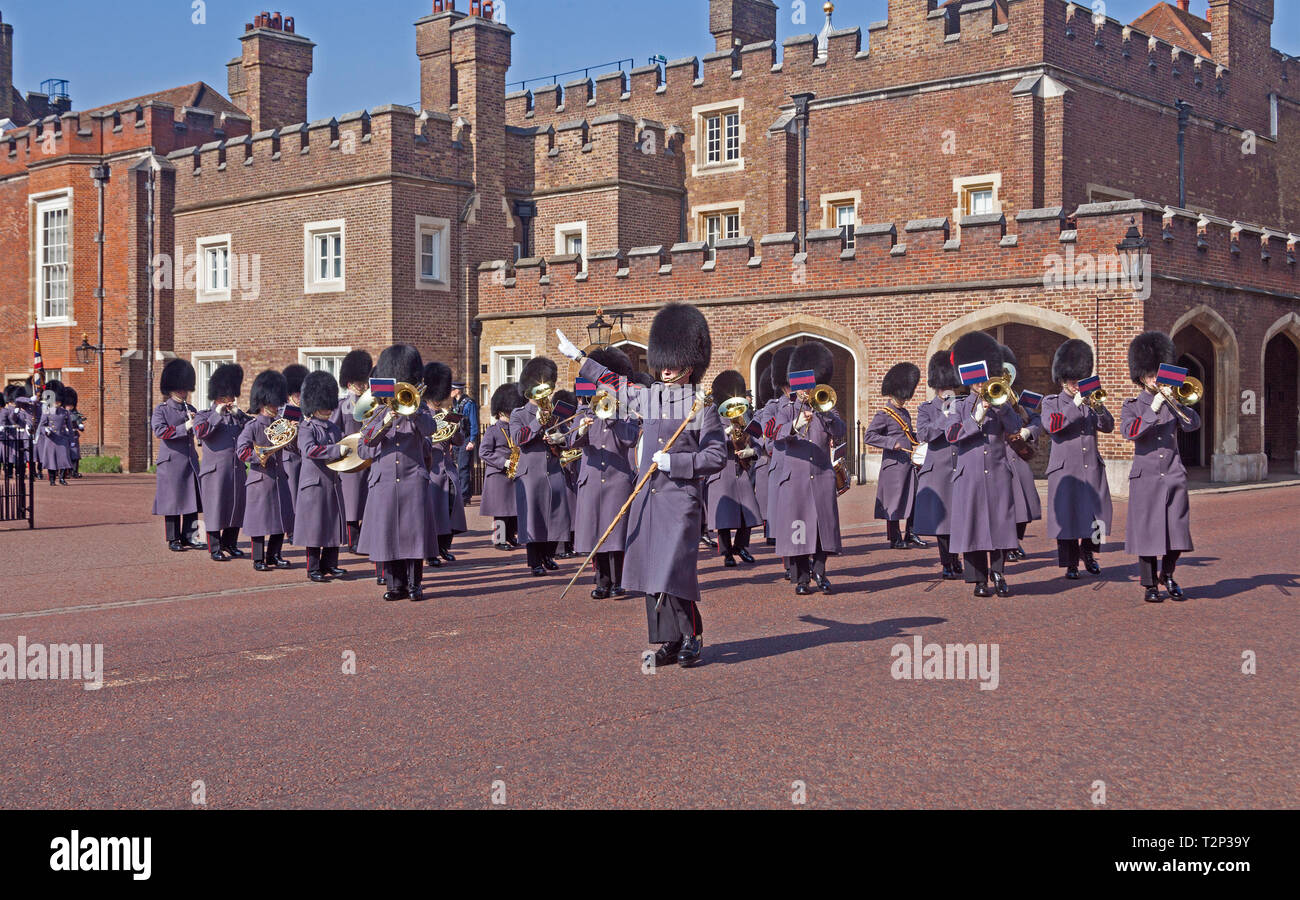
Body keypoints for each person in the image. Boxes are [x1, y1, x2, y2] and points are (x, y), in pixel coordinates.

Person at [557, 302, 726, 668]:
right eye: (663, 362)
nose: (666, 369)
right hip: (646, 498)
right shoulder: (650, 398)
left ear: (689, 365)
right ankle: (667, 639)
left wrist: (677, 463)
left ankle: (692, 635)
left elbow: (716, 457)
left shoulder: (701, 408)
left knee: (672, 570)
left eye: (673, 363)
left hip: (679, 500)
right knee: (651, 572)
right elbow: (615, 384)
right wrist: (579, 357)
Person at [1121, 331, 1201, 603]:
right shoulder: (1132, 406)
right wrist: (1153, 409)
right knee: (1147, 533)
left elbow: (1193, 426)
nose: (1156, 379)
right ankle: (1149, 585)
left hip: (1173, 472)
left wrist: (1179, 403)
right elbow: (1130, 432)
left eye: (1159, 374)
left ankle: (1167, 575)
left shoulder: (1173, 401)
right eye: (1151, 375)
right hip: (1145, 476)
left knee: (1176, 532)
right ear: (1142, 377)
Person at [357, 345, 440, 602]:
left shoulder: (419, 409)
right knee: (388, 534)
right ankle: (395, 586)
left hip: (412, 478)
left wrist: (412, 412)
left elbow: (430, 429)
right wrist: (385, 420)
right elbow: (363, 448)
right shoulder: (376, 412)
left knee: (413, 534)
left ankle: (415, 585)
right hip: (383, 481)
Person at [946, 333, 1023, 598]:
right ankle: (979, 578)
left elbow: (1015, 428)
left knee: (999, 523)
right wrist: (976, 418)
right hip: (970, 475)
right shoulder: (957, 406)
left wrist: (1000, 408)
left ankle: (999, 573)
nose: (981, 384)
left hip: (998, 471)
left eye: (984, 378)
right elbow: (952, 436)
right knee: (974, 526)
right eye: (977, 380)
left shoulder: (1001, 401)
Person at [772, 341, 846, 596]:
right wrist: (795, 423)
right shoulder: (785, 408)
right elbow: (776, 435)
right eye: (801, 385)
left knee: (821, 529)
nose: (805, 390)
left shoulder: (827, 407)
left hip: (821, 476)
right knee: (799, 531)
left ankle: (821, 574)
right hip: (796, 478)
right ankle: (802, 578)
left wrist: (824, 414)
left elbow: (841, 431)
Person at [570, 346, 640, 598]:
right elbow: (572, 443)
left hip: (617, 479)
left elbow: (630, 440)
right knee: (596, 532)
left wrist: (613, 417)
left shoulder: (625, 414)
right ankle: (601, 582)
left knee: (617, 532)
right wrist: (581, 430)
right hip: (591, 478)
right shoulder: (584, 411)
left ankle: (619, 579)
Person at [1041, 339, 1113, 581]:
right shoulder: (1052, 402)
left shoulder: (1091, 401)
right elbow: (1053, 426)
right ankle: (1071, 563)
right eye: (1072, 381)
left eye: (1078, 380)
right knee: (1069, 518)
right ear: (1062, 380)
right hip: (1066, 470)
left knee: (1098, 517)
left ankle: (1090, 554)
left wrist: (1099, 408)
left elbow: (1109, 426)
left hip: (1091, 467)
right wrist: (1075, 404)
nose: (1075, 384)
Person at [510, 357, 572, 577]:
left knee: (555, 515)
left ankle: (548, 555)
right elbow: (519, 438)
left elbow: (567, 438)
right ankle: (534, 561)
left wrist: (558, 439)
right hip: (531, 474)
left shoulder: (556, 412)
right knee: (533, 518)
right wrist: (538, 422)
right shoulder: (518, 414)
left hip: (553, 469)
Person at [296, 370, 352, 584]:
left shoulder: (333, 428)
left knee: (332, 524)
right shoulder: (306, 427)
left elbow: (342, 446)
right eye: (324, 405)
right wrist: (335, 450)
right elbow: (309, 450)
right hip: (314, 484)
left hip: (332, 482)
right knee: (315, 527)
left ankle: (330, 564)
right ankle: (313, 568)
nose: (328, 410)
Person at [237, 371, 295, 572]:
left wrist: (293, 433)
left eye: (276, 403)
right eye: (271, 404)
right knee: (259, 522)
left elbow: (289, 448)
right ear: (262, 403)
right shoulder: (252, 426)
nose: (275, 407)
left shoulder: (280, 424)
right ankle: (259, 558)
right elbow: (242, 451)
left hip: (279, 478)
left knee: (281, 519)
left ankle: (275, 555)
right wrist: (259, 456)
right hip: (260, 479)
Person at [914, 351, 964, 579]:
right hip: (939, 469)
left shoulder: (962, 405)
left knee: (959, 518)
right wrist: (946, 415)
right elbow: (924, 434)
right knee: (944, 522)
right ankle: (947, 562)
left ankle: (957, 558)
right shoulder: (926, 408)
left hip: (959, 466)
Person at [193, 364, 249, 562]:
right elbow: (200, 433)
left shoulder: (235, 417)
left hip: (236, 469)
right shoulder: (204, 415)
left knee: (235, 508)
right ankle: (215, 547)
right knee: (215, 510)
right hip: (215, 471)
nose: (231, 401)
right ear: (218, 397)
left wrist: (240, 415)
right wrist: (217, 414)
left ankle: (230, 544)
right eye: (227, 397)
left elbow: (252, 429)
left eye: (232, 397)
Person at [865, 363, 924, 550]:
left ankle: (911, 533)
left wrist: (919, 441)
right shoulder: (884, 414)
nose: (904, 399)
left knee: (913, 498)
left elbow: (908, 434)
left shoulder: (904, 412)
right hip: (894, 464)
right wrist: (891, 443)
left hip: (907, 463)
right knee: (894, 501)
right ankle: (895, 537)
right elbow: (869, 436)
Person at [706, 370, 761, 568]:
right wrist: (725, 433)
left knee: (749, 512)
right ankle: (727, 552)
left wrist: (751, 452)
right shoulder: (711, 415)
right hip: (722, 470)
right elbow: (706, 440)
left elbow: (759, 441)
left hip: (742, 470)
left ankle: (741, 546)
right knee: (724, 518)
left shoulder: (744, 415)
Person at [151, 359, 204, 552]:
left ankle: (190, 537)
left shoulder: (191, 409)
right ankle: (173, 539)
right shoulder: (161, 410)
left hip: (189, 460)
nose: (183, 393)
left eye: (186, 389)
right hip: (171, 461)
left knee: (191, 499)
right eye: (180, 389)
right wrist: (185, 427)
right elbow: (160, 432)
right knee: (172, 501)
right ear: (172, 389)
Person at [999, 345, 1042, 562]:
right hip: (1001, 454)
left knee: (1026, 501)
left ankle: (1016, 540)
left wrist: (1028, 431)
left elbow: (1036, 419)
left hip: (1019, 453)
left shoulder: (1016, 396)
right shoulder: (992, 394)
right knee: (1006, 503)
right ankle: (1009, 545)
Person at [423, 362, 464, 567]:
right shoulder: (423, 414)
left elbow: (459, 442)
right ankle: (430, 552)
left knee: (450, 509)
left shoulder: (447, 414)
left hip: (448, 467)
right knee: (433, 512)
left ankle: (444, 547)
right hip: (432, 468)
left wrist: (454, 427)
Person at [332, 350, 373, 554]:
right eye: (358, 383)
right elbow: (334, 430)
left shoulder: (372, 404)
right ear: (349, 384)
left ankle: (366, 538)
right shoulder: (342, 406)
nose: (362, 386)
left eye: (364, 382)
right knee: (352, 502)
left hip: (369, 458)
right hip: (350, 460)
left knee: (366, 501)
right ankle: (352, 540)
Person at [480, 383, 525, 551]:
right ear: (500, 412)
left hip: (513, 474)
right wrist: (503, 462)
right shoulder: (493, 430)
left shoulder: (515, 428)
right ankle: (499, 539)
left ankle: (511, 536)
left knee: (513, 508)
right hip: (498, 475)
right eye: (508, 411)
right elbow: (483, 452)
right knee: (501, 511)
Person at [763, 347, 797, 564]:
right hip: (783, 464)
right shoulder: (773, 407)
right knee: (785, 516)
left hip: (805, 467)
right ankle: (789, 563)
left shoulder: (811, 403)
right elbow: (768, 435)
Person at [750, 365, 775, 541]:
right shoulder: (758, 415)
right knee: (767, 502)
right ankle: (769, 532)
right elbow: (754, 435)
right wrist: (764, 441)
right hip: (766, 460)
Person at [282, 364, 309, 511]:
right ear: (290, 394)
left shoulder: (306, 411)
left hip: (305, 458)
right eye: (297, 394)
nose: (300, 397)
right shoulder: (282, 411)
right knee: (292, 498)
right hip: (290, 459)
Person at [451, 380, 480, 506]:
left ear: (457, 390)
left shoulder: (469, 403)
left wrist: (472, 440)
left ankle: (464, 496)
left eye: (451, 389)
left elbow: (474, 423)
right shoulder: (454, 403)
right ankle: (461, 494)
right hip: (457, 438)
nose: (449, 391)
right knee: (458, 467)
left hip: (466, 438)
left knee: (463, 468)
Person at [38, 384, 72, 486]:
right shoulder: (47, 412)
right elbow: (42, 426)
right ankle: (52, 480)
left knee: (63, 459)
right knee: (51, 460)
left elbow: (69, 427)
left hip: (62, 438)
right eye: (55, 401)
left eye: (59, 401)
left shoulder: (65, 413)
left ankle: (61, 478)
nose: (57, 403)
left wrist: (71, 440)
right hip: (51, 438)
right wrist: (46, 430)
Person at [65, 388, 84, 479]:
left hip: (74, 435)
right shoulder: (62, 413)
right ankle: (66, 472)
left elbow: (80, 423)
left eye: (71, 405)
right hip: (64, 436)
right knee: (66, 454)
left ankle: (74, 472)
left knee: (75, 454)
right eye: (68, 405)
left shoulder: (76, 415)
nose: (69, 407)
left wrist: (80, 426)